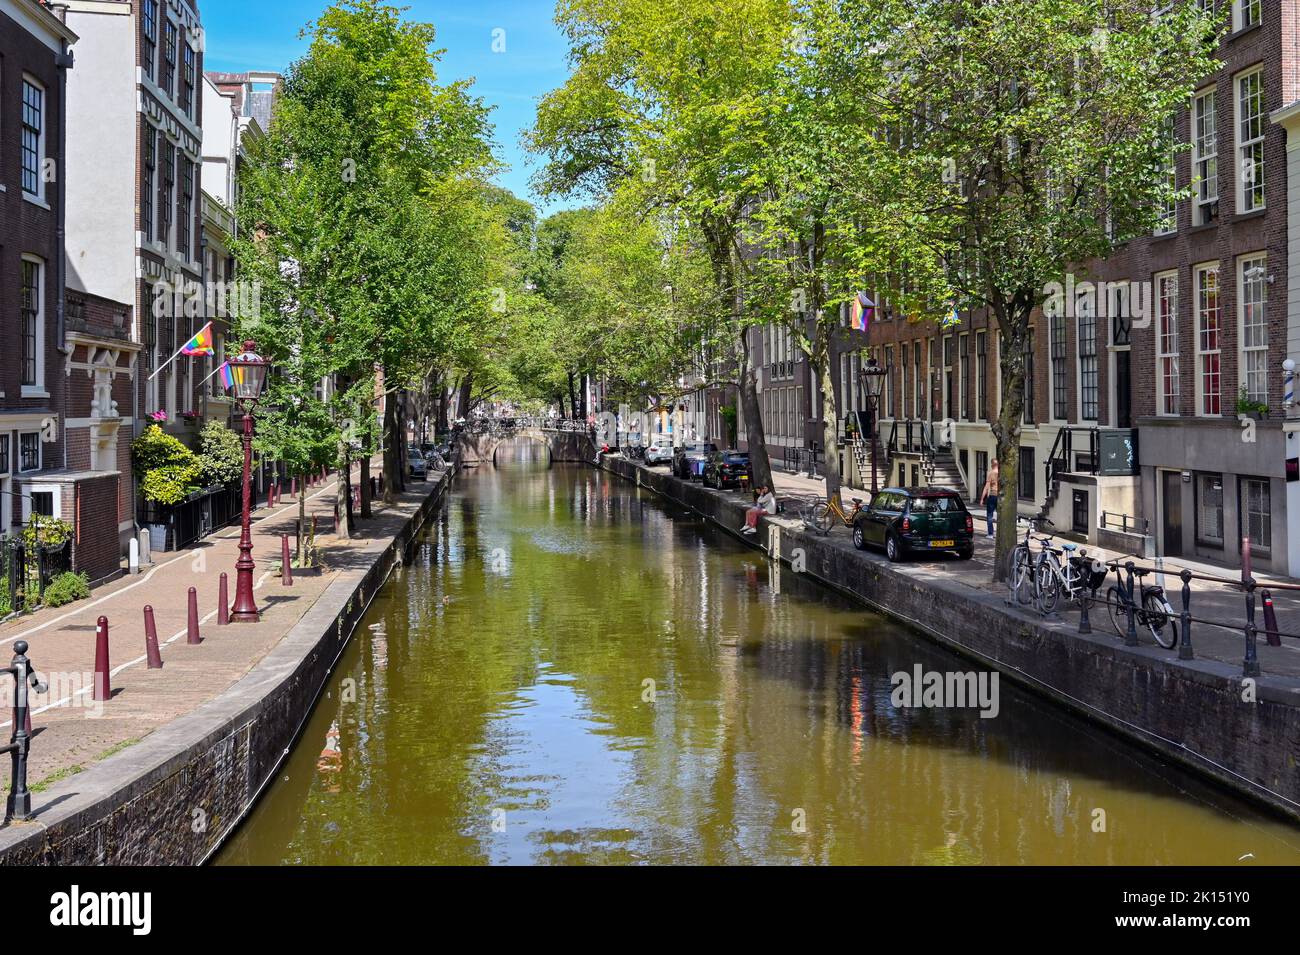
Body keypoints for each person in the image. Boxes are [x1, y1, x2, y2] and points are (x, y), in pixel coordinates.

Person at [980, 459, 1000, 539]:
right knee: (1001, 516)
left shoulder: (991, 473)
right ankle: (1001, 534)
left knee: (989, 516)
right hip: (1000, 496)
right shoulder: (1001, 473)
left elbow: (986, 487)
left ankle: (990, 534)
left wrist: (982, 499)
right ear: (998, 464)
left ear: (992, 465)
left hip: (992, 495)